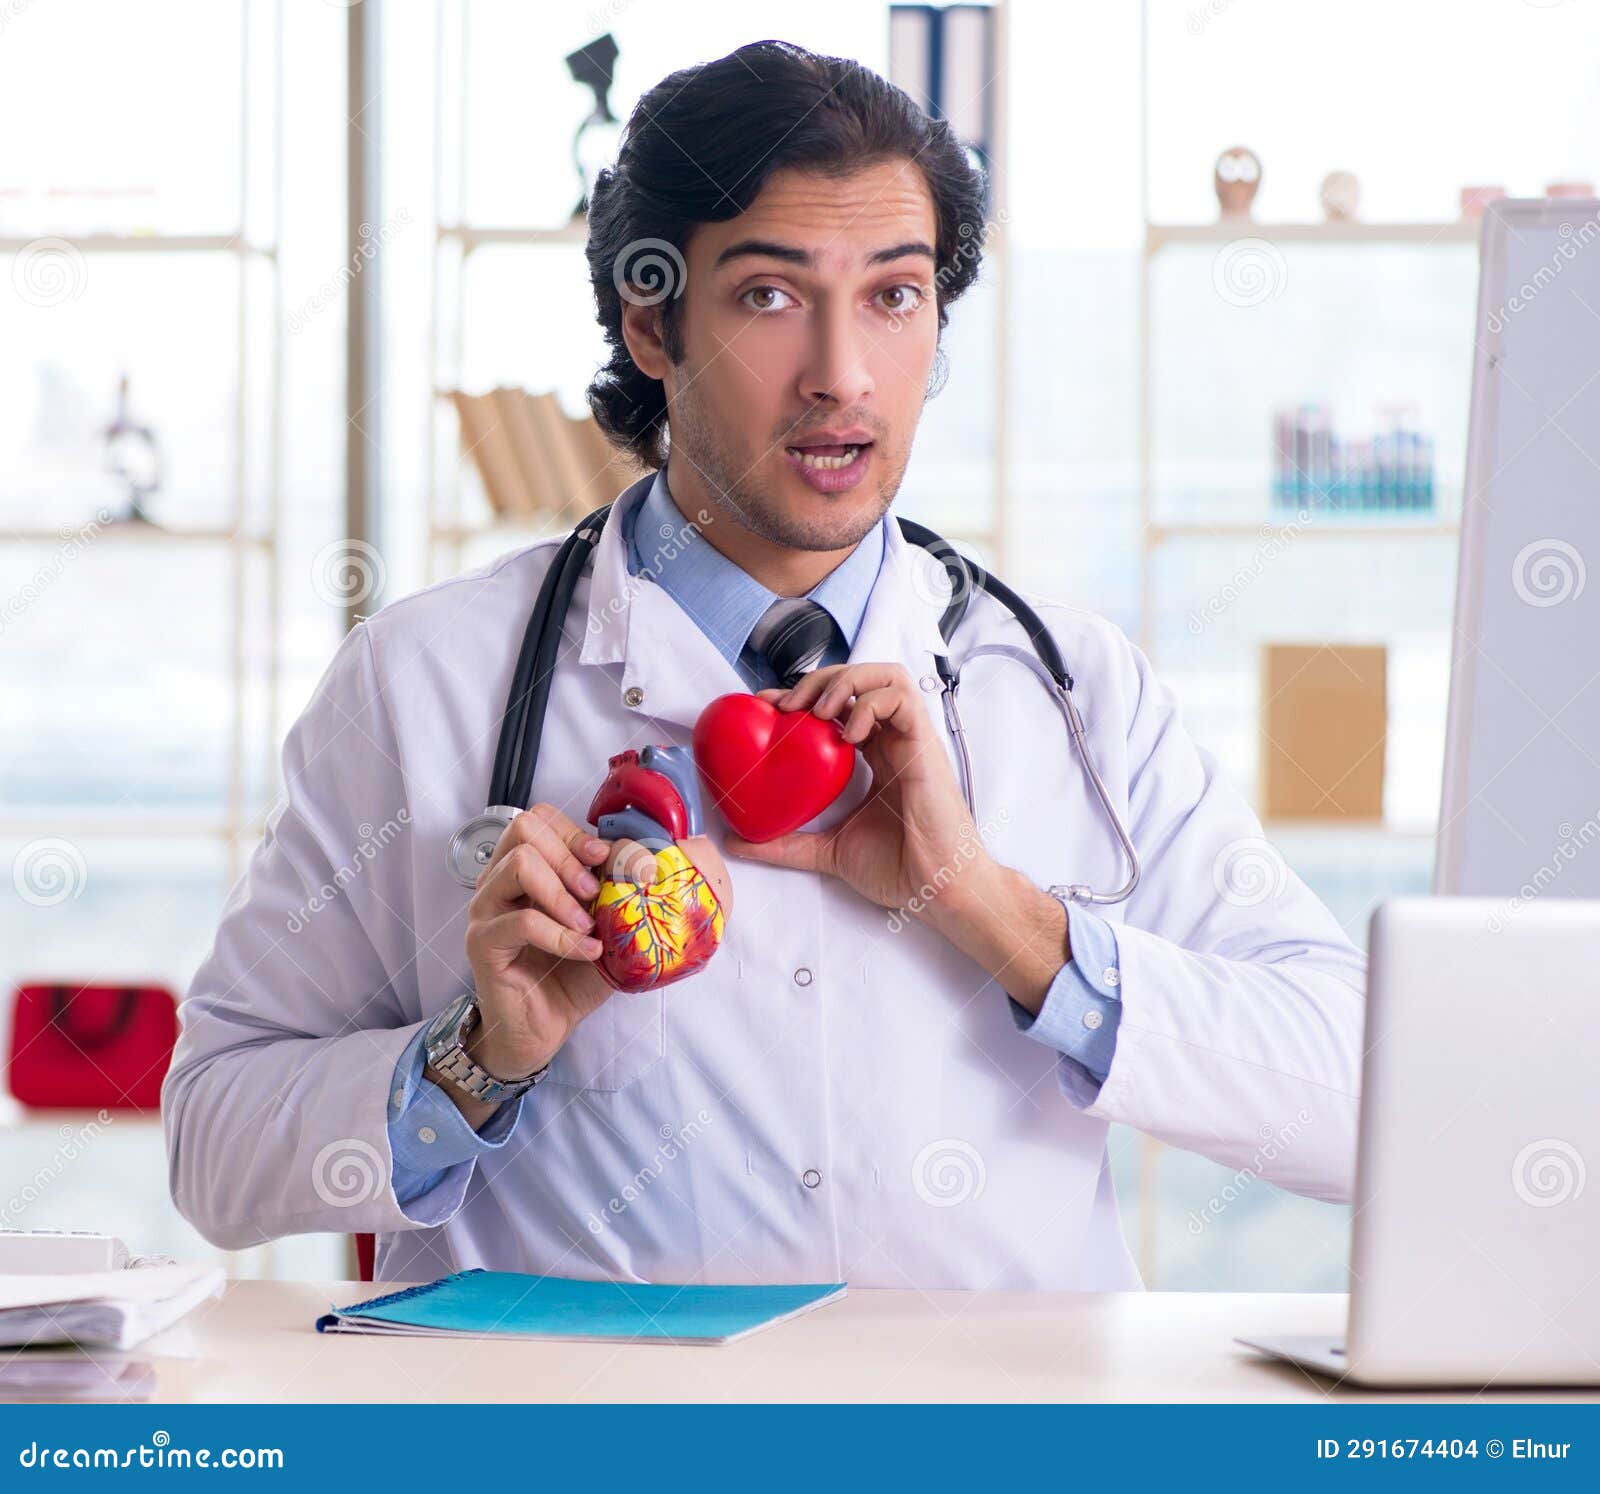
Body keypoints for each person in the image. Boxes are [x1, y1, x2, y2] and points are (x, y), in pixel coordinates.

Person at [164, 40, 1364, 1288]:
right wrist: (474, 1061)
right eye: (770, 296)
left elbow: (1355, 1103)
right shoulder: (423, 681)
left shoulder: (1070, 690)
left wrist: (995, 913)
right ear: (650, 322)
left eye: (894, 297)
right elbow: (212, 1145)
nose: (842, 376)